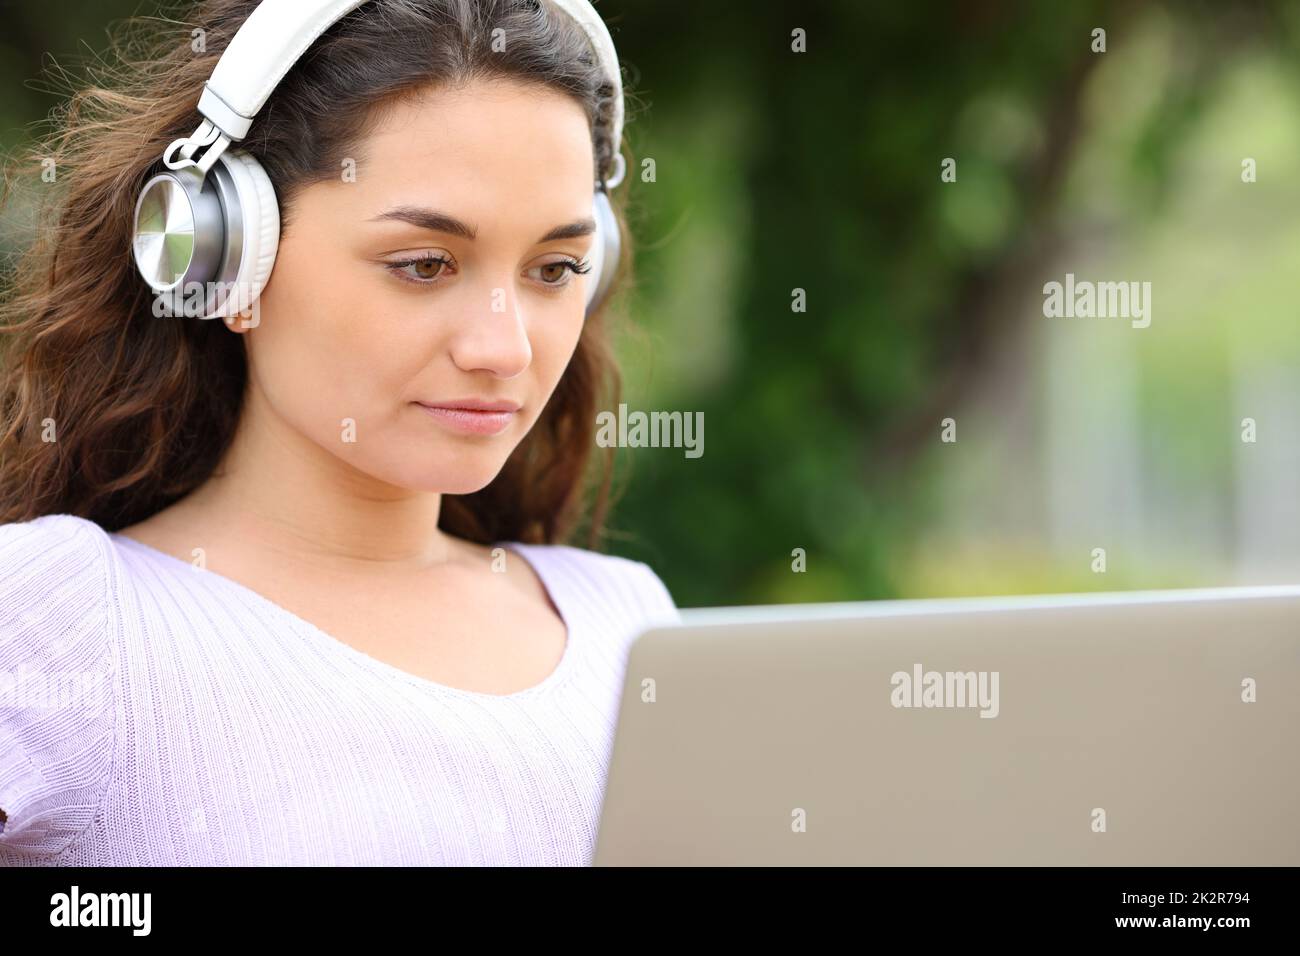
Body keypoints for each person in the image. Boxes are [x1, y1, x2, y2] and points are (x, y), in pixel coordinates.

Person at [0, 0, 678, 866]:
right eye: (425, 265)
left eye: (554, 270)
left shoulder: (630, 624)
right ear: (222, 258)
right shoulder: (64, 622)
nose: (504, 349)